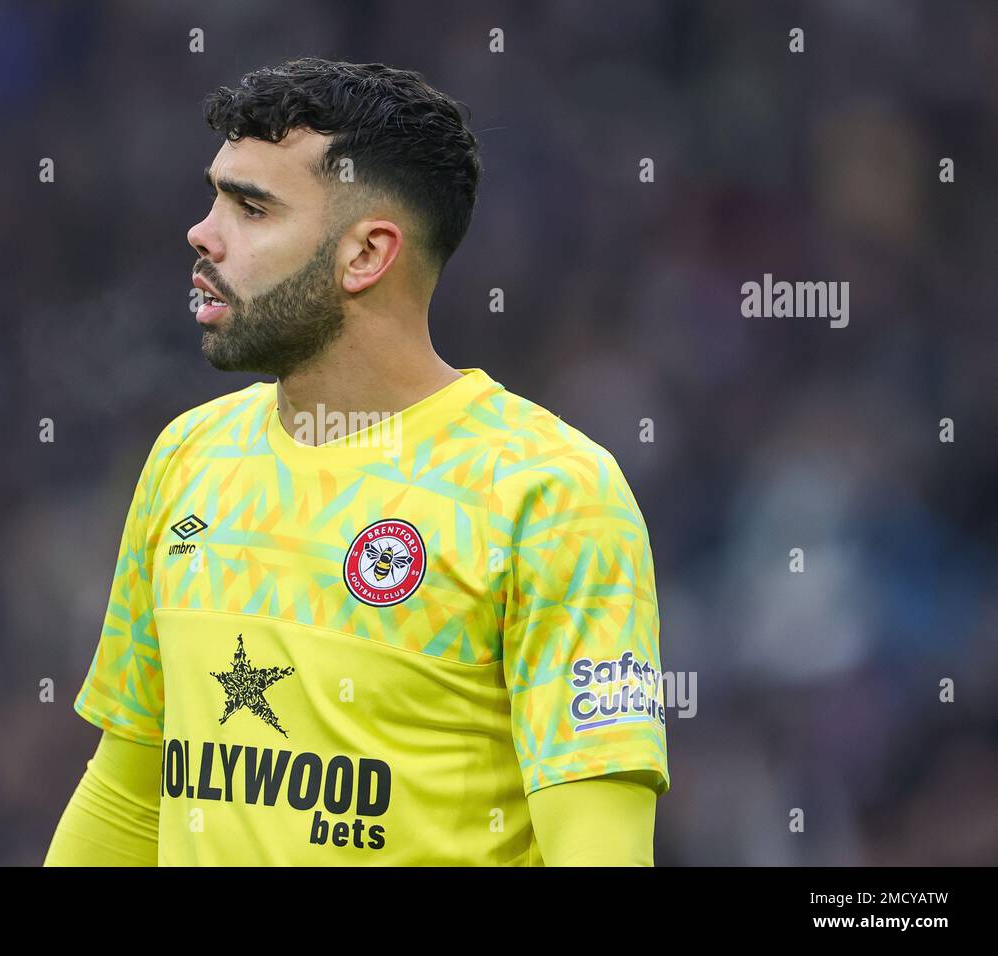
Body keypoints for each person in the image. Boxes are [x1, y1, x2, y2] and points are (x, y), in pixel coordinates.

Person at [45, 57, 668, 866]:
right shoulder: (189, 457)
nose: (203, 232)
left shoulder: (546, 495)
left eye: (251, 207)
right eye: (216, 195)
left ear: (366, 255)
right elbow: (128, 799)